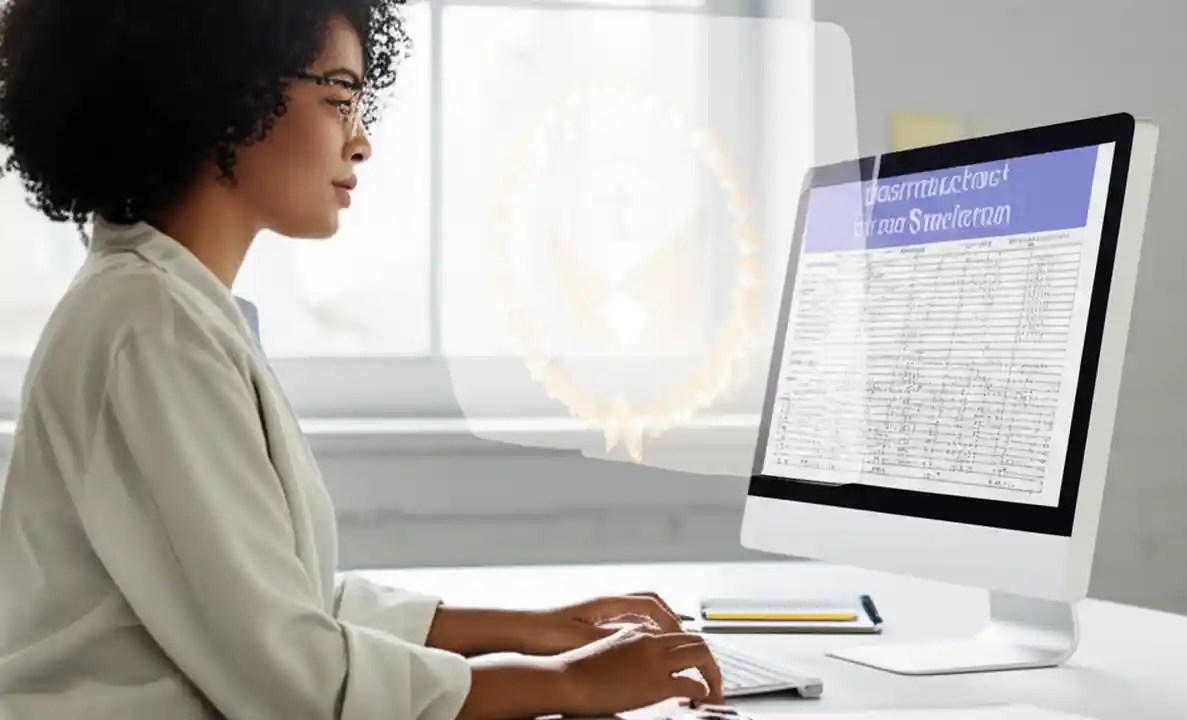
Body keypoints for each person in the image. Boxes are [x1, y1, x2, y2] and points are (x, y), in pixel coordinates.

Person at [0, 1, 724, 718]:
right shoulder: (149, 330)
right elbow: (294, 680)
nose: (361, 140)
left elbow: (288, 605)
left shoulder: (165, 309)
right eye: (339, 98)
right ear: (229, 96)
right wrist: (571, 685)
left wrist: (539, 631)